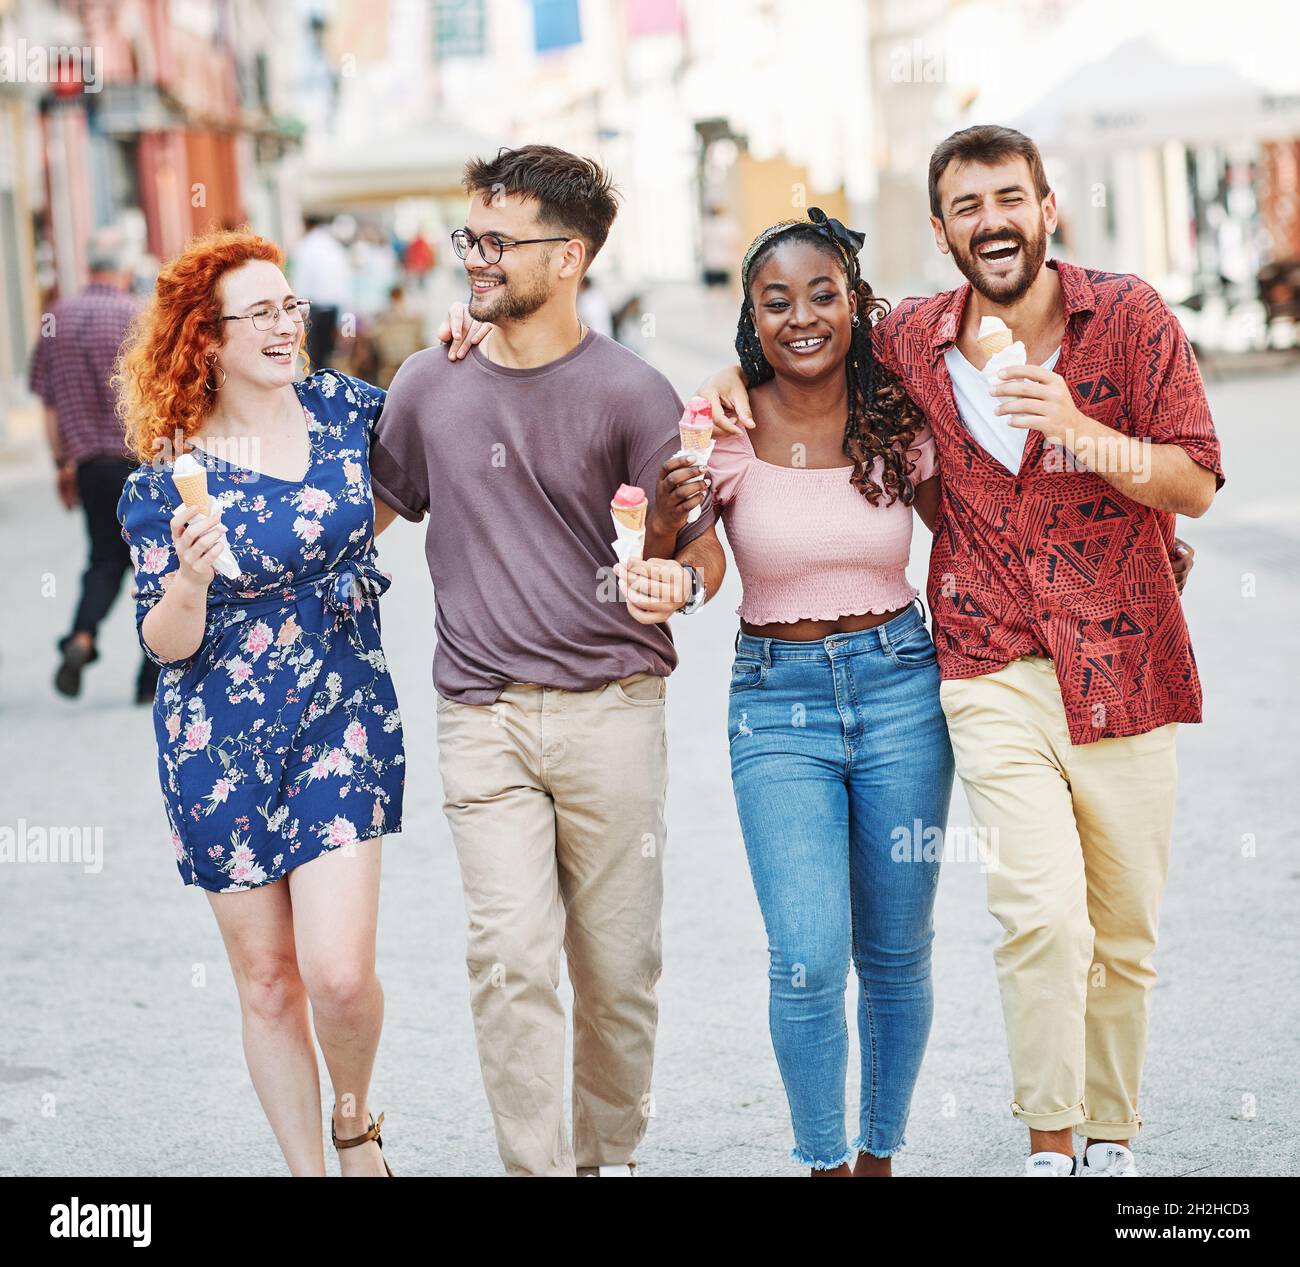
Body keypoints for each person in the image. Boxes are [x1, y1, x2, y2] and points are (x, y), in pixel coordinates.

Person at [692, 125, 1221, 1177]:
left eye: (1008, 198)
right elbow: (805, 334)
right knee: (1035, 916)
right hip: (979, 661)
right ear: (939, 231)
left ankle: (1106, 1138)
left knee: (1119, 932)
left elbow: (1195, 480)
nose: (992, 221)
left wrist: (1080, 429)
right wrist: (728, 371)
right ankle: (1047, 1146)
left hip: (1123, 656)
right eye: (967, 206)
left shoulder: (1129, 318)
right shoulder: (913, 344)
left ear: (1046, 205)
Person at [368, 144, 725, 1177]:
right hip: (479, 717)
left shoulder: (630, 392)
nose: (471, 258)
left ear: (568, 257)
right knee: (509, 961)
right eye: (469, 236)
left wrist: (683, 584)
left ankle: (605, 1157)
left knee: (617, 972)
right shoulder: (429, 383)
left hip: (612, 708)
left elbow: (698, 543)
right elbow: (364, 515)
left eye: (495, 241)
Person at [649, 208, 955, 1175]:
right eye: (776, 301)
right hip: (778, 704)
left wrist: (1142, 552)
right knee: (810, 953)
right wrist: (669, 544)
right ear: (750, 317)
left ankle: (879, 1157)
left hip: (904, 687)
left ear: (856, 304)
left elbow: (982, 532)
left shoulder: (899, 416)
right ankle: (824, 1162)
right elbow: (696, 561)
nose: (803, 317)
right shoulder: (726, 425)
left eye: (824, 294)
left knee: (898, 952)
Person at [114, 229, 405, 1177]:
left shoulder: (343, 407)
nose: (289, 326)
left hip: (341, 715)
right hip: (218, 740)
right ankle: (310, 1173)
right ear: (206, 339)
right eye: (262, 313)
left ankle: (356, 1125)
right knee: (272, 981)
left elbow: (408, 470)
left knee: (338, 973)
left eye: (292, 306)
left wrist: (460, 340)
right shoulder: (167, 474)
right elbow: (164, 642)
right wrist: (191, 580)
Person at [31, 225, 158, 703]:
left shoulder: (56, 317)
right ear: (125, 268)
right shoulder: (137, 315)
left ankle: (82, 637)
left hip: (90, 465)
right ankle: (151, 679)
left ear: (88, 266)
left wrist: (63, 463)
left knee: (104, 558)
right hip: (142, 460)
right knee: (156, 563)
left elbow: (47, 403)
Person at [290, 214, 351, 370]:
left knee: (313, 354)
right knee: (328, 353)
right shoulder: (335, 248)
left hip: (314, 308)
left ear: (307, 225)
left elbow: (301, 281)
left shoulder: (305, 247)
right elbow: (344, 282)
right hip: (334, 307)